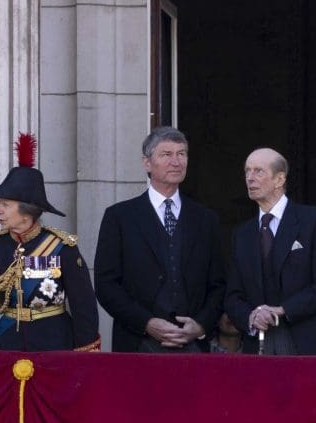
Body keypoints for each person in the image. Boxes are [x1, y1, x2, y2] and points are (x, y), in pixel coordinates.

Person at [93, 125, 226, 353]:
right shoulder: (120, 217)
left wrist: (200, 325)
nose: (176, 162)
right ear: (147, 163)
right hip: (137, 344)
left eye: (181, 154)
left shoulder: (206, 219)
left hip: (194, 346)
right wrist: (146, 323)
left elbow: (219, 284)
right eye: (166, 154)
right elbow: (106, 285)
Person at [0, 136, 98, 351]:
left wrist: (84, 354)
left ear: (27, 211)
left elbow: (83, 306)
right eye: (0, 204)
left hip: (54, 344)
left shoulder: (62, 248)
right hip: (7, 343)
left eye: (6, 204)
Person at [224, 146, 316, 355]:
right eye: (247, 171)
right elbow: (233, 296)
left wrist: (282, 310)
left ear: (279, 179)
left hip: (304, 344)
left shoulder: (314, 221)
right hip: (257, 346)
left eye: (258, 171)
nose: (250, 178)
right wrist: (251, 316)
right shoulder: (242, 235)